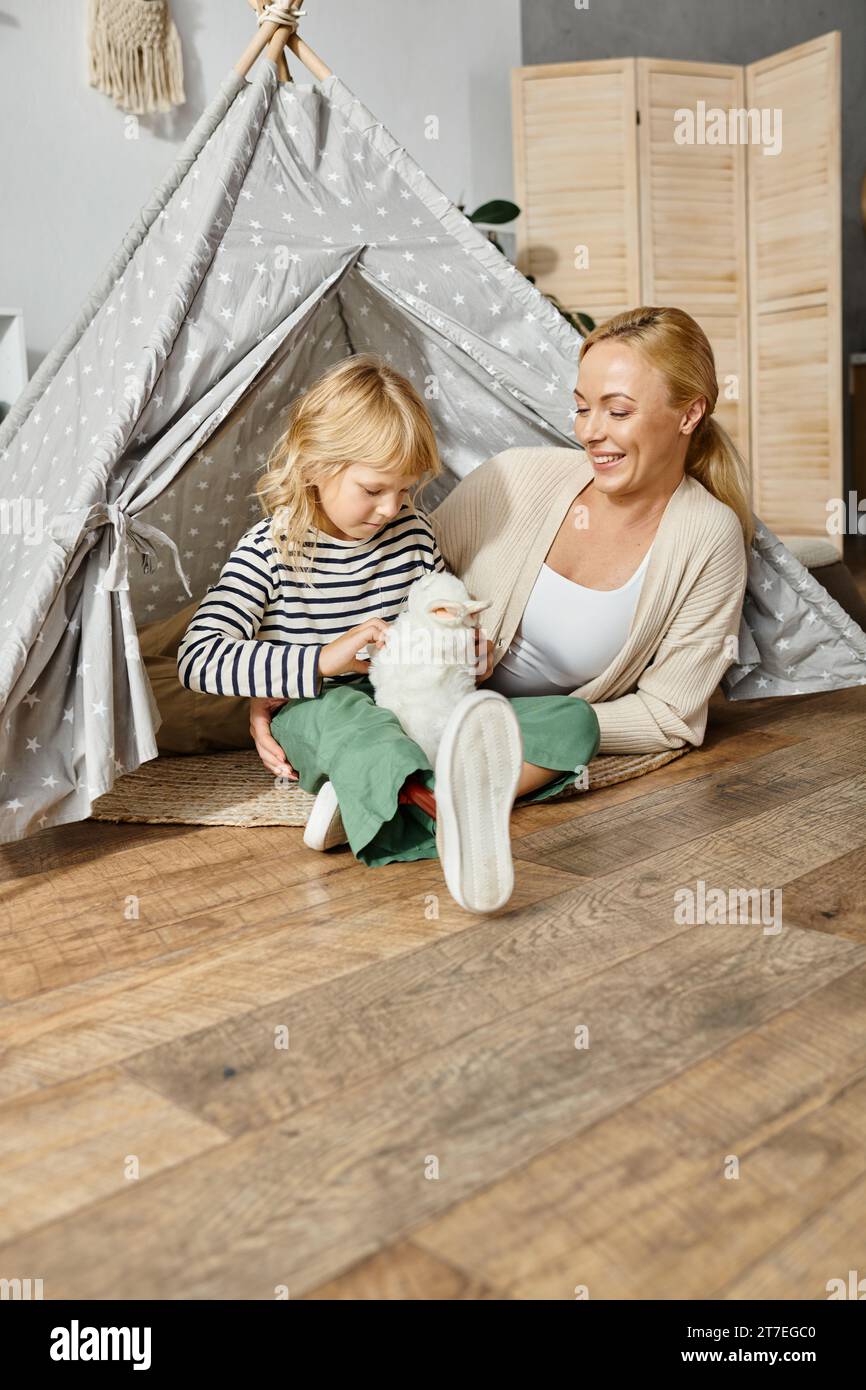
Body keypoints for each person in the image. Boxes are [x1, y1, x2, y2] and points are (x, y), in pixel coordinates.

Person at [177, 353, 601, 913]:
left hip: (414, 705)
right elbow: (197, 658)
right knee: (366, 733)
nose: (390, 509)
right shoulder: (269, 550)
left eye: (404, 491)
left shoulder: (414, 533)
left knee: (573, 722)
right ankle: (433, 808)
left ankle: (426, 800)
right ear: (313, 468)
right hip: (322, 708)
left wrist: (469, 653)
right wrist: (323, 660)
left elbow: (440, 615)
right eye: (374, 489)